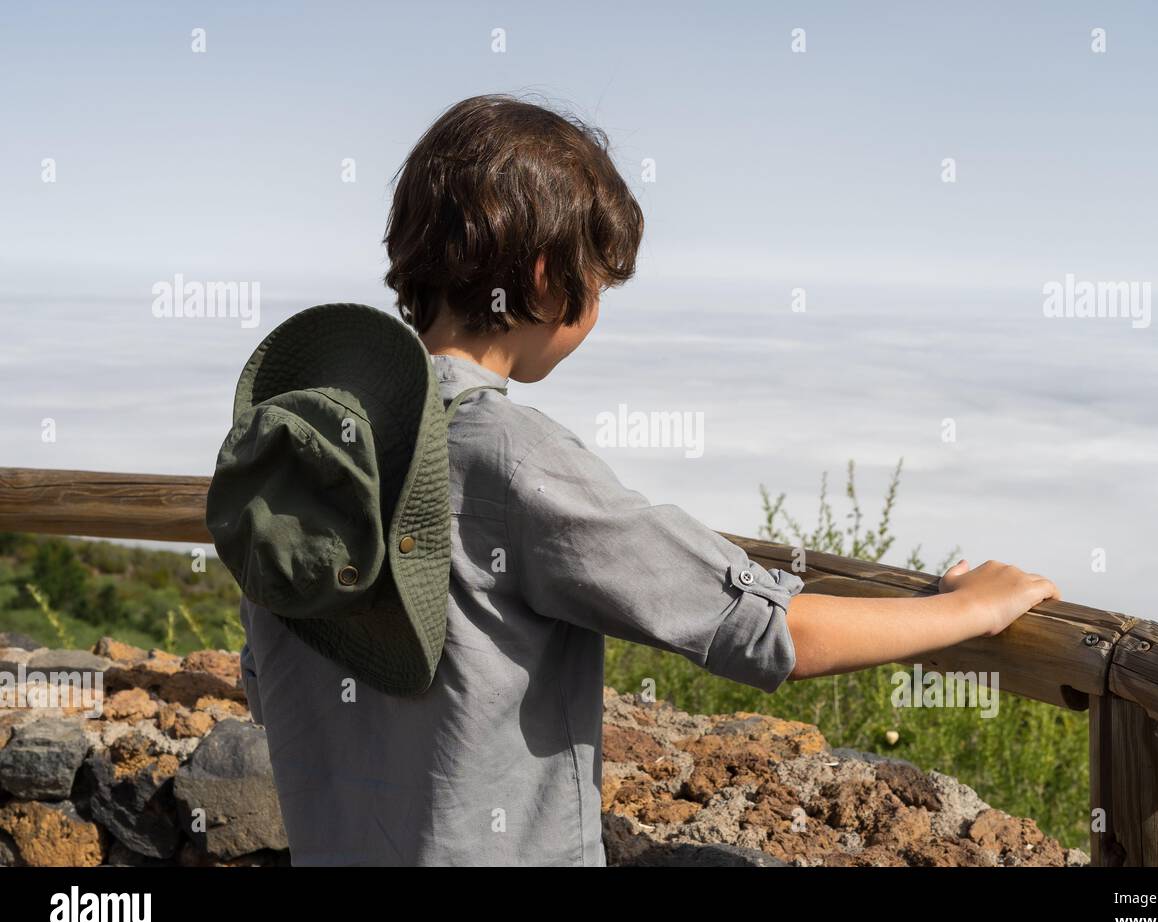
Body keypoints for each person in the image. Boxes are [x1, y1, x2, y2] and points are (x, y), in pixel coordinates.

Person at [234, 94, 1059, 865]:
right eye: (597, 286)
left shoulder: (300, 447)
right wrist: (967, 607)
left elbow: (276, 691)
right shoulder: (511, 457)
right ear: (552, 281)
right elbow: (764, 632)